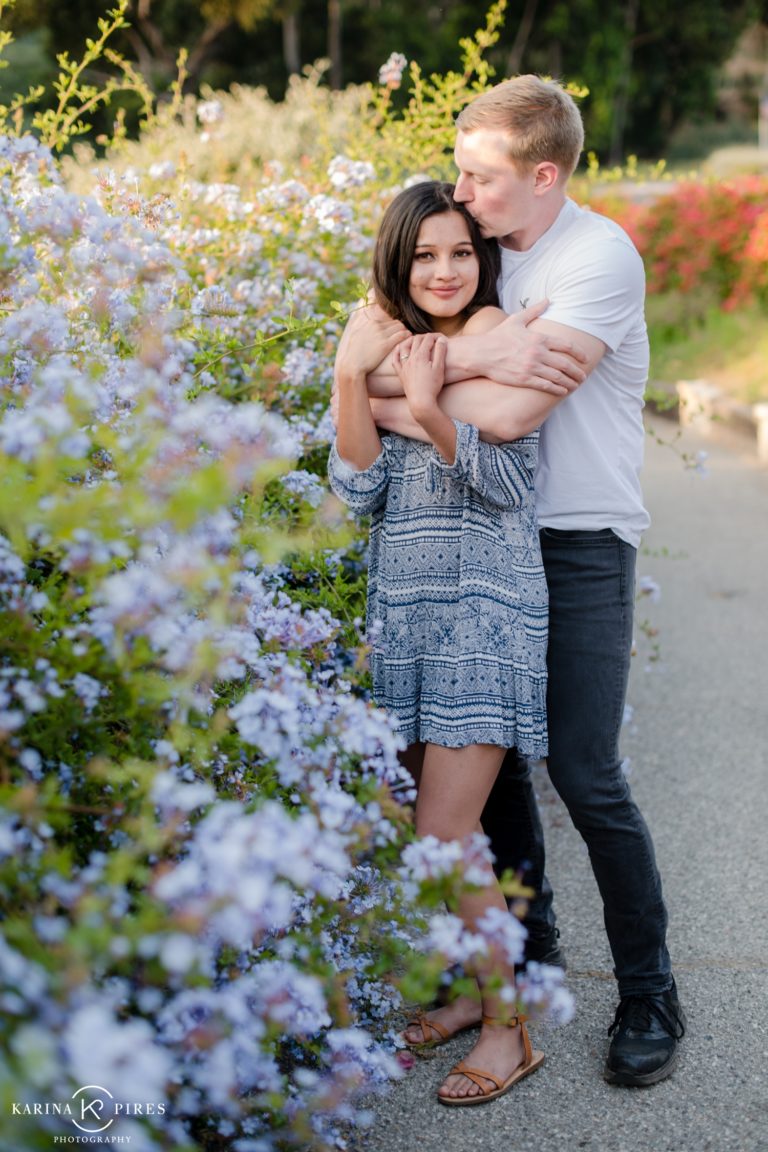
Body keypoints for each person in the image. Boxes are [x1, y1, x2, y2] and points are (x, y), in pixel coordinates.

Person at [337, 75, 685, 1088]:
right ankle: (518, 979)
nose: (462, 190)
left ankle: (650, 991)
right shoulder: (478, 253)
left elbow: (512, 417)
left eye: (480, 175)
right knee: (493, 794)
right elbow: (437, 380)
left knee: (584, 770)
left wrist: (391, 379)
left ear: (542, 176)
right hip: (455, 559)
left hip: (575, 537)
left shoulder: (595, 257)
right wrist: (445, 365)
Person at [328, 180, 549, 1105]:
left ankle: (509, 1028)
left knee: (444, 835)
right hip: (406, 617)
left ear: (481, 258)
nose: (445, 270)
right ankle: (468, 994)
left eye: (461, 251)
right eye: (425, 255)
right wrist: (352, 378)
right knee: (427, 830)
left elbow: (510, 482)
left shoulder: (503, 338)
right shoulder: (380, 342)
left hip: (483, 614)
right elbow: (356, 490)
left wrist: (423, 407)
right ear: (399, 262)